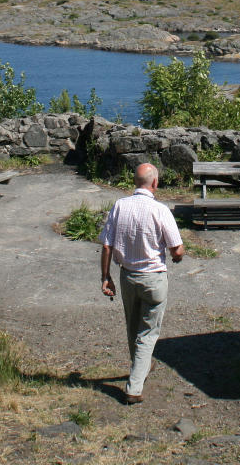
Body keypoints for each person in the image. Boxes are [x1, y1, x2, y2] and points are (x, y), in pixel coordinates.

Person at [99, 162, 184, 404]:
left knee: (133, 326)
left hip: (128, 276)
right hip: (154, 277)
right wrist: (178, 256)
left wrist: (106, 277)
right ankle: (134, 387)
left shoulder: (119, 206)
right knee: (148, 332)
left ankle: (141, 367)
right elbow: (176, 248)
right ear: (155, 183)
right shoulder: (160, 210)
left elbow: (107, 244)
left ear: (134, 182)